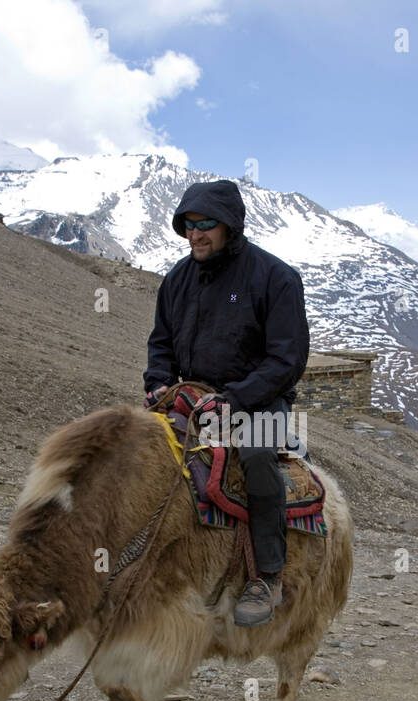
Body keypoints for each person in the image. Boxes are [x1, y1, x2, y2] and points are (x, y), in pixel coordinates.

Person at [144, 179, 309, 627]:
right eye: (188, 225)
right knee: (134, 450)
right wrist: (159, 383)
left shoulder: (275, 278)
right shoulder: (178, 279)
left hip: (258, 399)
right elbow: (161, 343)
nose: (195, 234)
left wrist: (234, 401)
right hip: (192, 396)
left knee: (256, 458)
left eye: (206, 225)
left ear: (230, 226)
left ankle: (266, 577)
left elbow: (287, 359)